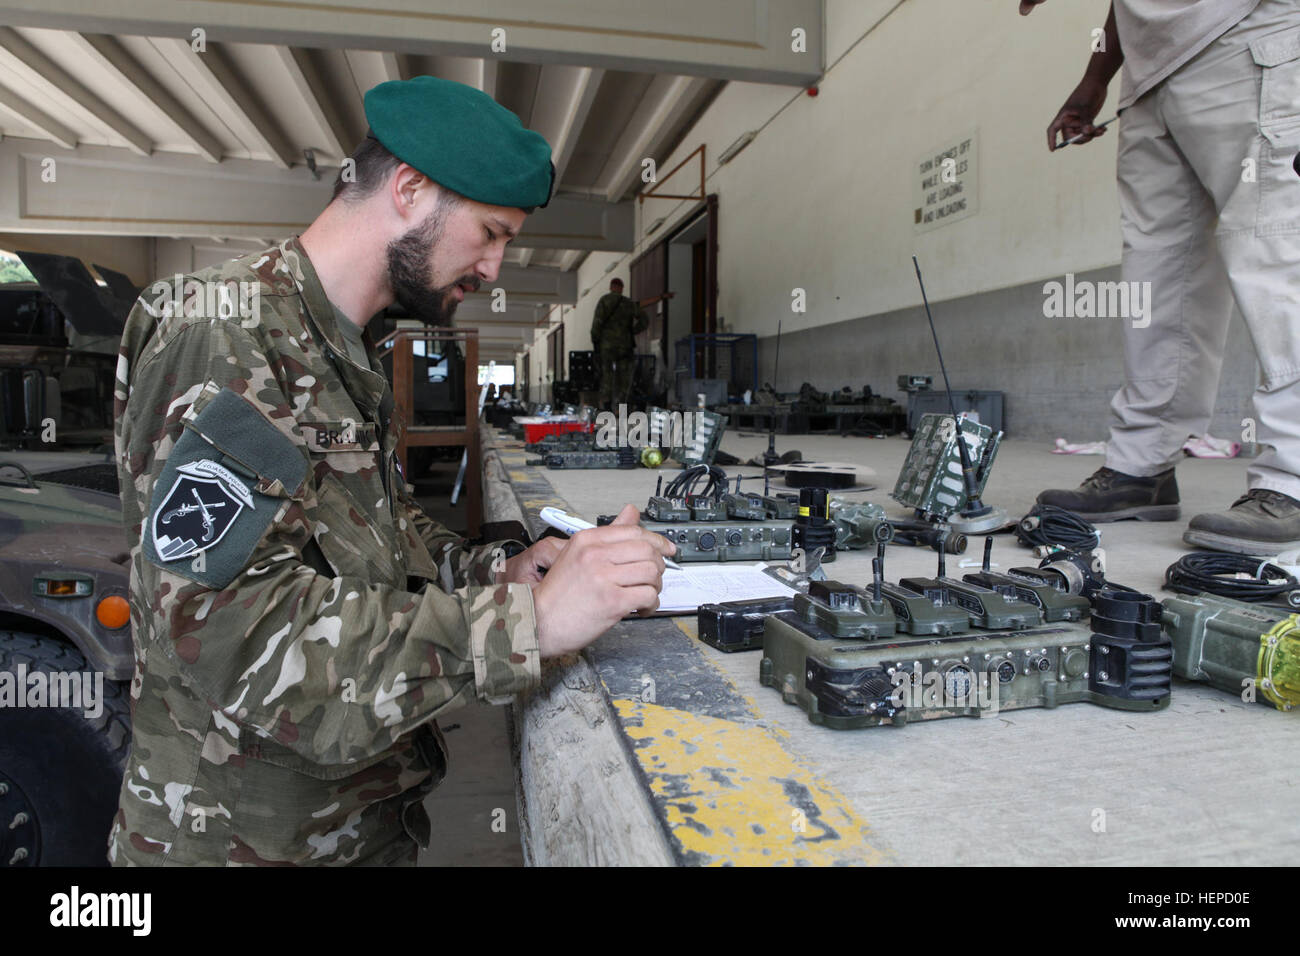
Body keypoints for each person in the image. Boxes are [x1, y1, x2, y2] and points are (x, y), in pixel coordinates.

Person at [110, 76, 674, 866]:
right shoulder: (225, 333)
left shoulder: (343, 345)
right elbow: (231, 632)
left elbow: (369, 540)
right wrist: (528, 624)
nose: (496, 268)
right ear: (409, 189)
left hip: (348, 829)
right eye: (488, 232)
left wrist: (501, 573)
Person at [1025, 0, 1300, 555]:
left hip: (1245, 37)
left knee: (1275, 255)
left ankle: (1291, 479)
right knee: (1158, 280)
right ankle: (1140, 469)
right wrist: (1095, 79)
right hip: (1149, 81)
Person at [589, 277, 649, 409]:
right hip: (625, 347)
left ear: (611, 287)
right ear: (622, 288)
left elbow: (597, 323)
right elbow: (644, 320)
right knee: (624, 377)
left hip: (607, 346)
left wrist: (595, 341)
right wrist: (633, 331)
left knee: (607, 375)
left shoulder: (604, 301)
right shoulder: (628, 304)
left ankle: (606, 405)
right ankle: (622, 406)